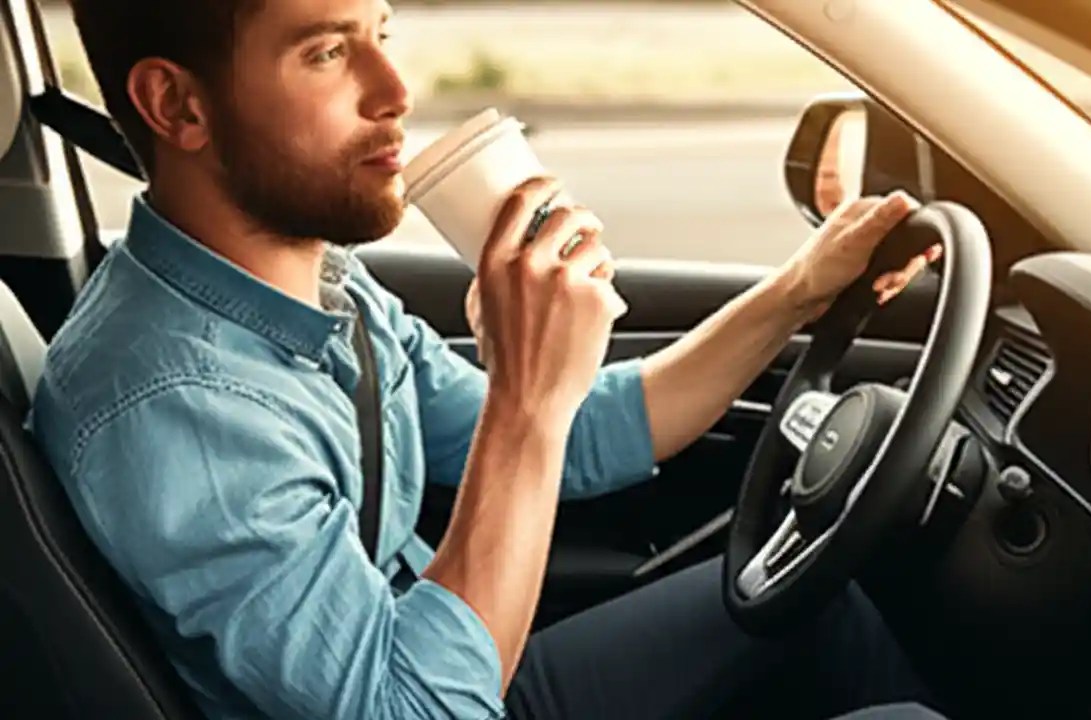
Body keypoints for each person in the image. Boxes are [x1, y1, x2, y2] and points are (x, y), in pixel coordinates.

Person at [28, 1, 946, 718]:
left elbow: (585, 438)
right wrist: (528, 399)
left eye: (380, 32)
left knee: (814, 603)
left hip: (447, 659)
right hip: (433, 693)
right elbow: (420, 708)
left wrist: (799, 291)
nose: (396, 90)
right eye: (327, 52)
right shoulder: (178, 406)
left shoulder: (317, 284)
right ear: (178, 105)